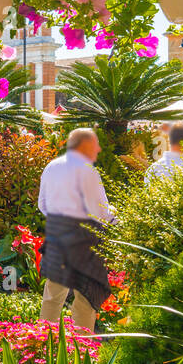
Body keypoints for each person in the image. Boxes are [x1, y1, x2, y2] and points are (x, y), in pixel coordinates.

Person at [37, 128, 115, 330]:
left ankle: (43, 344)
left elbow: (42, 204)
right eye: (95, 144)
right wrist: (115, 218)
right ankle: (82, 351)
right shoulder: (87, 170)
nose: (98, 149)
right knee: (85, 297)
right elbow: (101, 211)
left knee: (53, 295)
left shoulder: (51, 167)